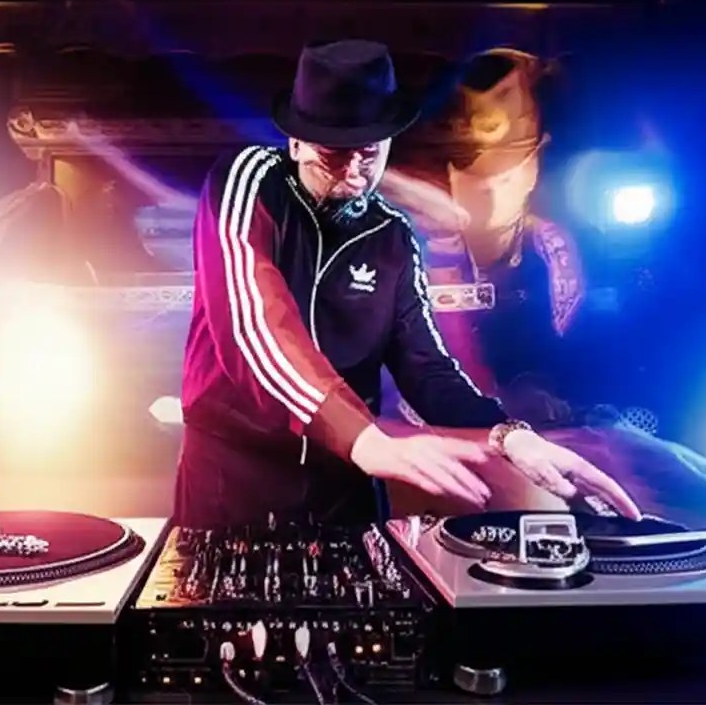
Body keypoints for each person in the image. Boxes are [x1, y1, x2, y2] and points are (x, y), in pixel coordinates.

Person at [173, 40, 641, 529]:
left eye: (369, 153)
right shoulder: (247, 182)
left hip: (348, 482)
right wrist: (364, 438)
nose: (354, 175)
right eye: (334, 156)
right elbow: (255, 330)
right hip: (236, 480)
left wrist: (511, 437)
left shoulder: (393, 235)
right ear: (295, 143)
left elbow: (427, 367)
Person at [381, 48, 706, 523]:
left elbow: (560, 353)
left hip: (537, 429)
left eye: (511, 164)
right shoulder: (399, 240)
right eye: (469, 166)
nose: (491, 187)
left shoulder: (550, 248)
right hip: (424, 434)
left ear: (538, 157)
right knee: (547, 510)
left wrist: (567, 410)